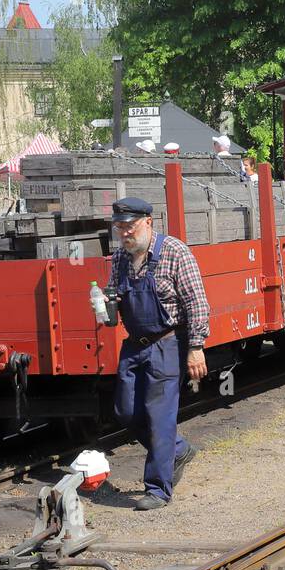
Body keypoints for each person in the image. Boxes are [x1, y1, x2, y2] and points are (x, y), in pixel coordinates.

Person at [107, 197, 210, 510]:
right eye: (120, 227)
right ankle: (177, 450)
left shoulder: (174, 252)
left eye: (130, 226)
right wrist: (105, 305)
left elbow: (197, 302)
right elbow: (113, 305)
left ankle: (157, 489)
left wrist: (195, 347)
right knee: (125, 411)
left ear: (148, 222)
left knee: (159, 415)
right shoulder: (120, 259)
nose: (125, 233)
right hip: (134, 343)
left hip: (167, 343)